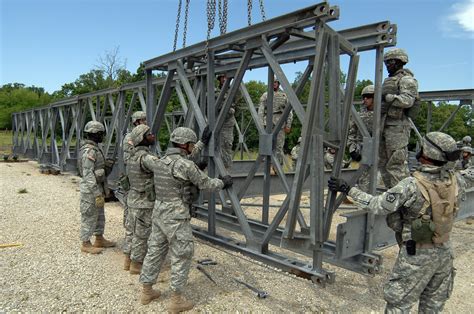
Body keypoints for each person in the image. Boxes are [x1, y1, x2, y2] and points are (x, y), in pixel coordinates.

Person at [329, 131, 463, 313]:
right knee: (433, 307)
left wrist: (348, 190)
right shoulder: (456, 181)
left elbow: (378, 205)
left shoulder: (412, 185)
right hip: (445, 253)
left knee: (399, 306)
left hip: (417, 256)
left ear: (426, 153)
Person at [138, 127, 233, 311]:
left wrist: (200, 144)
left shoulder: (160, 160)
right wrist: (223, 182)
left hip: (159, 212)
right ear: (184, 144)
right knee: (182, 254)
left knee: (155, 251)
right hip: (176, 216)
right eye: (190, 144)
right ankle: (176, 301)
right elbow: (206, 184)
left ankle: (147, 291)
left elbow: (182, 161)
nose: (191, 147)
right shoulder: (186, 166)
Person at [379, 48, 419, 188]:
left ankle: (402, 199)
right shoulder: (389, 80)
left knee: (396, 166)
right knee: (383, 165)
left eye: (390, 62)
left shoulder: (407, 80)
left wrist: (390, 98)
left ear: (399, 62)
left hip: (398, 128)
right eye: (386, 62)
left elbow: (408, 100)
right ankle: (391, 195)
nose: (387, 65)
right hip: (385, 126)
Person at [77, 121, 116, 254]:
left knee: (99, 215)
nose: (103, 136)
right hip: (90, 190)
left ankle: (99, 238)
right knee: (89, 215)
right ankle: (86, 243)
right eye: (101, 134)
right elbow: (88, 173)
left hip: (97, 188)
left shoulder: (95, 149)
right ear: (96, 134)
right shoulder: (89, 151)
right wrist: (96, 193)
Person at [126, 124, 156, 275]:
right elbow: (167, 168)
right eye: (149, 134)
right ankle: (136, 265)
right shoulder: (146, 158)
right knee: (142, 235)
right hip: (144, 202)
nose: (153, 135)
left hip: (132, 199)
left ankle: (127, 260)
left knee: (131, 231)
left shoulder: (132, 155)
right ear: (141, 139)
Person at [122, 111, 147, 270]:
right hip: (137, 184)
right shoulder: (131, 138)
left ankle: (128, 259)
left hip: (134, 184)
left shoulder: (139, 137)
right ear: (137, 121)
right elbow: (130, 159)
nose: (145, 122)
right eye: (143, 120)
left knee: (132, 227)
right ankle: (135, 262)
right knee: (138, 229)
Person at [258, 79, 293, 172]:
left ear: (278, 83)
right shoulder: (265, 95)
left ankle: (277, 167)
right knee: (267, 145)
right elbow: (261, 111)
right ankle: (268, 167)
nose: (274, 84)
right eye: (272, 82)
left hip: (280, 123)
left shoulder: (284, 96)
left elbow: (289, 111)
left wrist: (288, 125)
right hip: (267, 123)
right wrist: (260, 125)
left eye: (275, 82)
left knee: (279, 147)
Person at [347, 85, 375, 192]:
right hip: (363, 153)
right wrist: (352, 150)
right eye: (364, 97)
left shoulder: (383, 115)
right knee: (363, 183)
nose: (365, 99)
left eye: (368, 96)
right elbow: (352, 134)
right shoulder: (358, 116)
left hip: (380, 155)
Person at [216, 74, 238, 170]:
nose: (224, 79)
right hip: (216, 122)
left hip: (227, 122)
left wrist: (231, 110)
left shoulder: (234, 91)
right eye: (222, 77)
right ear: (220, 79)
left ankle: (226, 169)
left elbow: (237, 104)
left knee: (227, 144)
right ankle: (216, 168)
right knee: (214, 145)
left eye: (226, 77)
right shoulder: (215, 91)